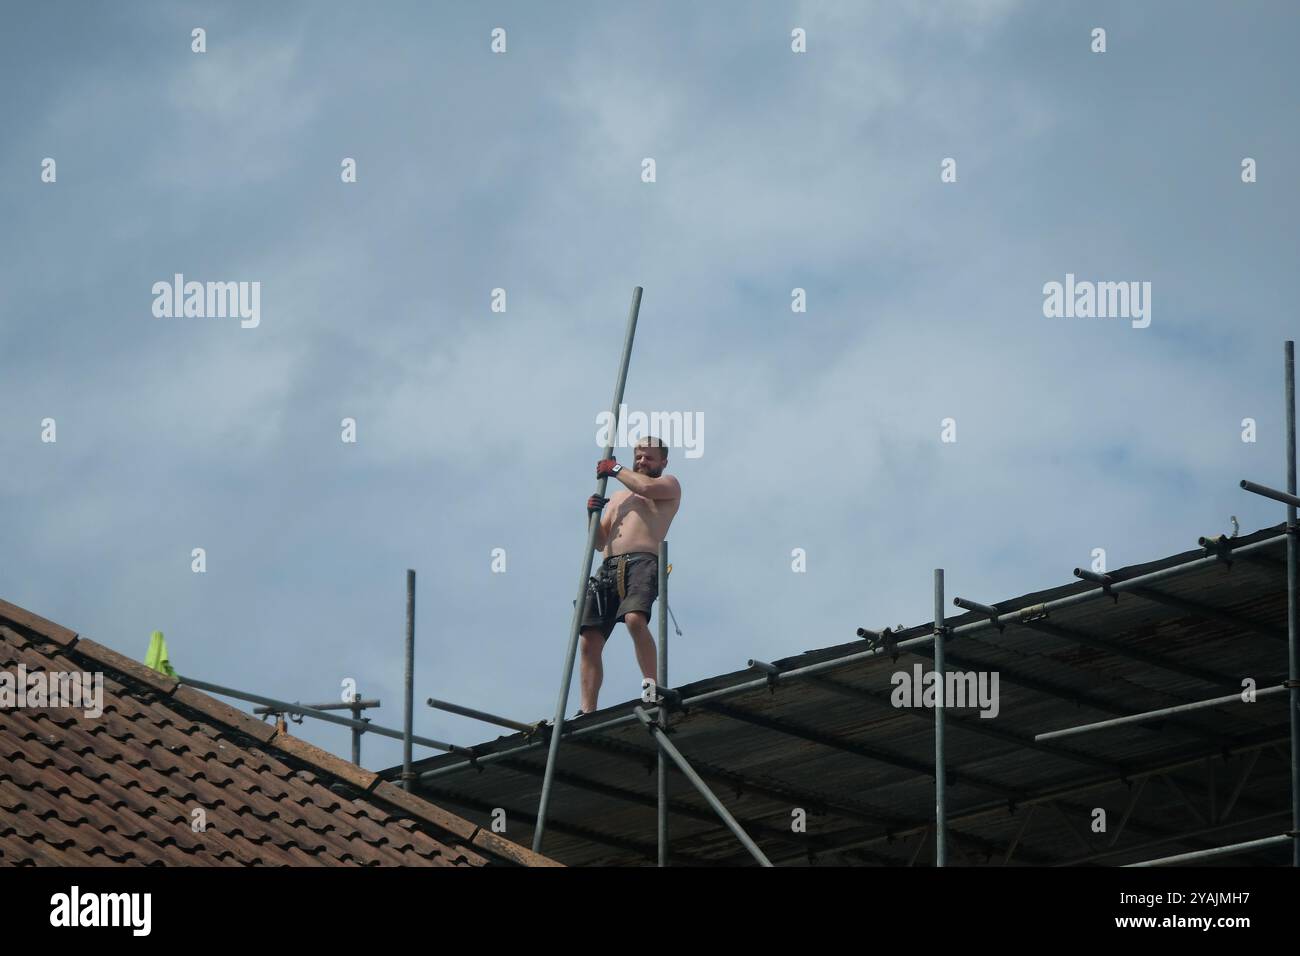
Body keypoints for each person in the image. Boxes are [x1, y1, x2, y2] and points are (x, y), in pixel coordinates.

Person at [577, 435, 681, 716]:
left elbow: (646, 488)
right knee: (589, 637)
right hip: (608, 568)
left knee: (635, 619)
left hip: (642, 562)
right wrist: (593, 515)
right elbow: (600, 542)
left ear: (663, 461)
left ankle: (652, 690)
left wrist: (615, 469)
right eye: (638, 456)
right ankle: (587, 710)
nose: (642, 461)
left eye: (649, 457)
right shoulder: (621, 497)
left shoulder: (668, 484)